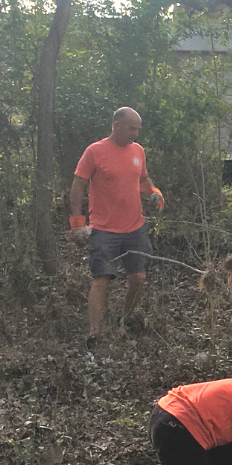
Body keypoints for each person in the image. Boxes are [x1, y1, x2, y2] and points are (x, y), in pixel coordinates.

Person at [69, 107, 165, 347]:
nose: (135, 133)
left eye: (138, 129)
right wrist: (77, 224)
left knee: (139, 277)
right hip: (104, 228)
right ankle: (94, 333)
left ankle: (124, 319)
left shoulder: (138, 151)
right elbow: (78, 186)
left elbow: (142, 179)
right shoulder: (95, 151)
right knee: (101, 278)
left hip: (135, 226)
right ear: (116, 125)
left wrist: (154, 192)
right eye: (131, 128)